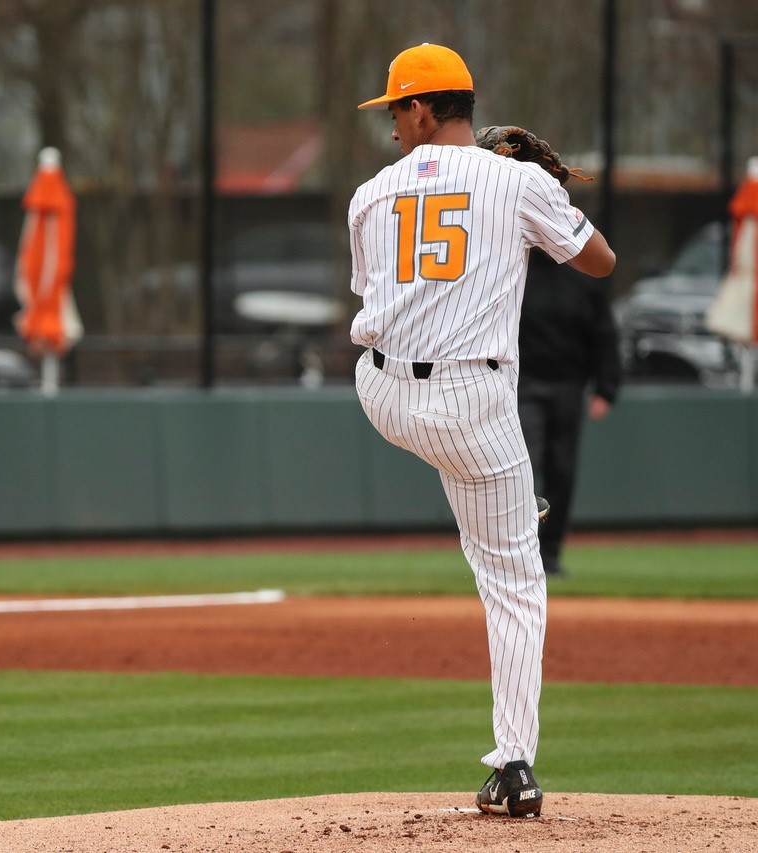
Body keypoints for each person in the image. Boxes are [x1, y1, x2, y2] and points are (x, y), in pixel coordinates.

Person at [348, 43, 615, 817]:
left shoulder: (368, 195)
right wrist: (553, 194)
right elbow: (599, 262)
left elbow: (374, 288)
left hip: (383, 392)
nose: (393, 123)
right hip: (472, 400)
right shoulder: (518, 181)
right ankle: (515, 761)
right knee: (514, 576)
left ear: (425, 108)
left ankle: (503, 493)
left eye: (397, 108)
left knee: (467, 467)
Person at [518, 250, 621, 577]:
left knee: (562, 471)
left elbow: (604, 335)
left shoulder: (583, 276)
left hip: (568, 387)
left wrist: (606, 389)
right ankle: (520, 555)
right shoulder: (514, 271)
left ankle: (549, 556)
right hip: (521, 386)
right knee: (523, 471)